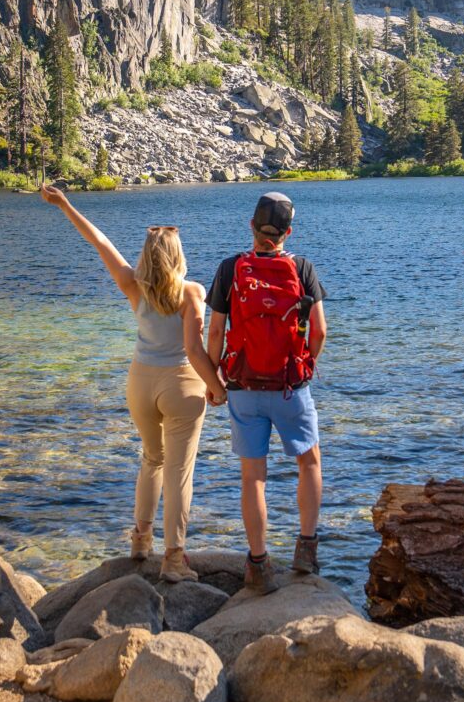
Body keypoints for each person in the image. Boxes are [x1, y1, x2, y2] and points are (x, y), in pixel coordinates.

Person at [38, 185, 221, 580]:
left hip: (139, 383)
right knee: (178, 472)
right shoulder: (192, 293)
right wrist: (217, 386)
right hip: (182, 386)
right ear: (178, 256)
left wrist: (65, 204)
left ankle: (140, 541)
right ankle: (174, 559)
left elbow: (99, 240)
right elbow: (193, 349)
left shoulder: (132, 284)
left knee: (151, 459)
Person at [205, 190, 326, 593]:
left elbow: (217, 332)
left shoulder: (229, 268)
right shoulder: (303, 268)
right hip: (291, 386)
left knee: (252, 477)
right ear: (288, 232)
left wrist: (214, 381)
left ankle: (258, 564)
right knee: (308, 463)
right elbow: (320, 332)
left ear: (252, 228)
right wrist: (307, 364)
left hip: (243, 386)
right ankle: (306, 550)